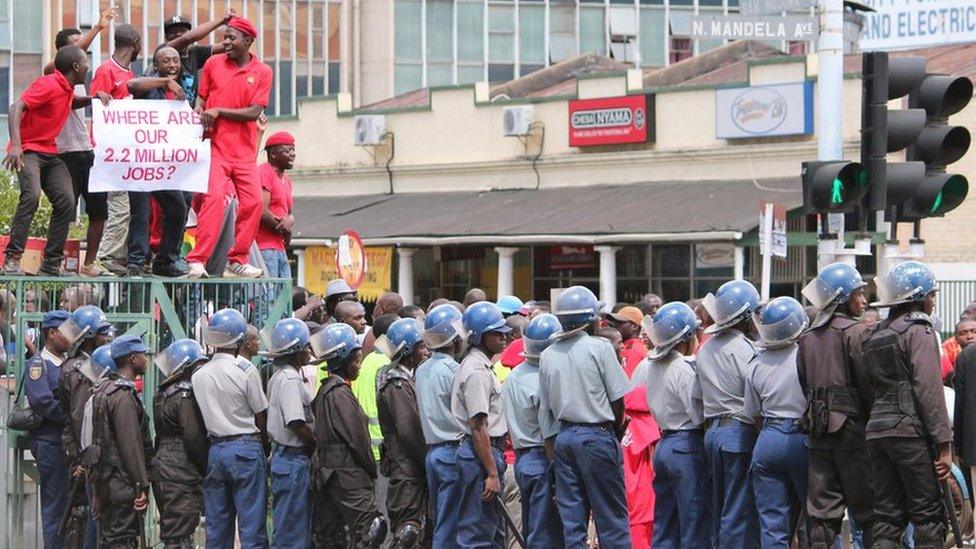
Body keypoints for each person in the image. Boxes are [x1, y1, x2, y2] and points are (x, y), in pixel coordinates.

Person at [861, 261, 952, 547]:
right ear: (919, 297)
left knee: (887, 517)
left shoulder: (874, 334)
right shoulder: (919, 331)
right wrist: (944, 444)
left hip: (877, 432)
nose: (933, 302)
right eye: (931, 296)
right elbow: (929, 389)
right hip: (910, 434)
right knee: (927, 515)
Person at [2, 46, 109, 276]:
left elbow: (70, 102)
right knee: (31, 195)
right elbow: (16, 106)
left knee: (67, 201)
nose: (88, 67)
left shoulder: (67, 88)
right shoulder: (49, 83)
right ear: (75, 67)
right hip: (29, 150)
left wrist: (93, 99)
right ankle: (12, 257)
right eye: (85, 63)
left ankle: (51, 262)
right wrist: (17, 145)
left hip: (50, 153)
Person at [540, 286, 632, 548]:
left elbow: (547, 410)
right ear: (591, 320)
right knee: (611, 517)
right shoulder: (600, 347)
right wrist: (613, 431)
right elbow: (618, 399)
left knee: (573, 521)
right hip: (596, 436)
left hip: (565, 438)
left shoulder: (547, 354)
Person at [797, 262, 875, 546]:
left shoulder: (806, 338)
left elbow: (803, 382)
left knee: (822, 513)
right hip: (853, 429)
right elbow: (868, 385)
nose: (864, 300)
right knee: (869, 510)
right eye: (858, 294)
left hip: (817, 429)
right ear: (842, 298)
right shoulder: (857, 333)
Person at [187, 16, 272, 279]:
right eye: (224, 37)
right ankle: (197, 260)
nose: (225, 42)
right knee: (212, 200)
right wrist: (200, 108)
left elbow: (254, 112)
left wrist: (218, 110)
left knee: (254, 202)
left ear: (247, 41)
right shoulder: (212, 64)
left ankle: (237, 258)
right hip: (215, 149)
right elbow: (201, 98)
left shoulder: (263, 72)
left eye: (230, 38)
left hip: (245, 153)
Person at [46, 7, 117, 276]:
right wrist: (97, 29)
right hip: (63, 153)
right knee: (65, 208)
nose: (82, 53)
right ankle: (55, 261)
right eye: (75, 47)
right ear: (63, 53)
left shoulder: (78, 78)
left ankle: (89, 263)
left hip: (85, 150)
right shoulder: (52, 71)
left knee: (99, 210)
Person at [192, 308, 270, 547]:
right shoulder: (246, 371)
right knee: (252, 525)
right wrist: (265, 446)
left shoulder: (199, 374)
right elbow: (260, 413)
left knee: (217, 526)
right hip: (246, 448)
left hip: (216, 450)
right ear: (239, 339)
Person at [633, 302, 707, 548]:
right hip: (686, 445)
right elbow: (697, 415)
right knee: (693, 518)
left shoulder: (651, 366)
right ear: (686, 337)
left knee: (665, 521)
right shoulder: (684, 369)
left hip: (664, 443)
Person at [309, 322, 388, 548]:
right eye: (356, 360)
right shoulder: (339, 394)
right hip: (347, 474)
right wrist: (371, 468)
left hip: (330, 473)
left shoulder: (326, 390)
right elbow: (357, 438)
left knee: (331, 534)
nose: (359, 365)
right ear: (343, 361)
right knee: (371, 527)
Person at [697, 279, 762, 546]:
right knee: (738, 508)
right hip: (739, 431)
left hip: (712, 433)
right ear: (745, 316)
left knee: (720, 506)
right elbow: (756, 394)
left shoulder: (706, 348)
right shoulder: (744, 348)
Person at [745, 297, 810, 549]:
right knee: (816, 517)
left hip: (769, 439)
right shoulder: (806, 356)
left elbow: (754, 414)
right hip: (803, 438)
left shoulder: (756, 363)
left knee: (772, 523)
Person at [123, 45, 191, 277]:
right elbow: (131, 85)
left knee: (178, 208)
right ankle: (136, 261)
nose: (172, 65)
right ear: (156, 65)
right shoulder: (150, 85)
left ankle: (165, 260)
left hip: (166, 166)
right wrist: (164, 82)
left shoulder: (183, 89)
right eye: (166, 61)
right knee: (141, 213)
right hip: (142, 163)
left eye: (175, 60)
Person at [501, 313, 564, 548]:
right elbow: (549, 435)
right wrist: (559, 476)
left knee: (531, 528)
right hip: (542, 458)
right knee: (544, 532)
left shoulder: (514, 376)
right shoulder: (543, 379)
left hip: (521, 459)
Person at [85, 334, 152, 548]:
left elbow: (93, 443)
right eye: (143, 355)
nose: (146, 359)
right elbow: (130, 445)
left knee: (109, 539)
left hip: (106, 481)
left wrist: (96, 489)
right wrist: (142, 484)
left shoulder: (103, 390)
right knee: (121, 541)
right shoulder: (122, 396)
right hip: (121, 483)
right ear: (132, 359)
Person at [453, 301, 511, 547]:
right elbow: (478, 426)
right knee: (478, 534)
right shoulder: (476, 370)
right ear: (479, 336)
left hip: (486, 453)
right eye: (496, 334)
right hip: (480, 456)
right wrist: (491, 473)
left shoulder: (482, 365)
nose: (504, 338)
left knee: (494, 532)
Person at [90, 24, 141, 276]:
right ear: (134, 42)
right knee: (119, 206)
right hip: (110, 153)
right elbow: (94, 102)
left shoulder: (129, 74)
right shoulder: (106, 70)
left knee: (126, 207)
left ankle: (114, 255)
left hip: (125, 152)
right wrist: (98, 95)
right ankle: (105, 256)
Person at [416, 304, 467, 547]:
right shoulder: (453, 370)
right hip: (452, 451)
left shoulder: (422, 369)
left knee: (440, 519)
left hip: (433, 452)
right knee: (451, 522)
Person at [150, 339, 210, 549]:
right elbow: (193, 437)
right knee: (180, 537)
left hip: (162, 468)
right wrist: (206, 466)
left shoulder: (161, 394)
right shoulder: (184, 395)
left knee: (172, 532)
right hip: (181, 472)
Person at [376, 318, 431, 547]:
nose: (426, 351)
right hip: (406, 467)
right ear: (408, 350)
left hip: (406, 465)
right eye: (421, 346)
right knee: (407, 530)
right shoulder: (397, 382)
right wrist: (425, 460)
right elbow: (408, 430)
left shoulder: (403, 376)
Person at [264, 318, 317, 549]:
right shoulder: (289, 379)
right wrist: (314, 444)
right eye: (306, 346)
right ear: (296, 351)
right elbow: (296, 421)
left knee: (290, 523)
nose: (309, 351)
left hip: (287, 457)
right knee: (292, 529)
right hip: (293, 457)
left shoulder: (281, 375)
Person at [23, 310, 72, 549]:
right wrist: (73, 417)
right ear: (51, 334)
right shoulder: (38, 365)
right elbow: (42, 401)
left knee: (73, 508)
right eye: (67, 332)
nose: (71, 337)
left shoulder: (70, 363)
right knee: (55, 508)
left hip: (70, 444)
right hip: (51, 442)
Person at [350, 312, 398, 517]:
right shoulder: (385, 365)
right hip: (383, 451)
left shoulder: (368, 361)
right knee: (385, 512)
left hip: (368, 448)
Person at [163, 11, 236, 102]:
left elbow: (228, 45)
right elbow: (187, 38)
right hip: (166, 110)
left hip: (188, 113)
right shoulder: (163, 51)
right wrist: (222, 20)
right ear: (166, 37)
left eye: (182, 30)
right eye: (173, 32)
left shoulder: (195, 52)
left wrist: (240, 30)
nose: (178, 34)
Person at [257, 131, 296, 283]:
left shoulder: (286, 180)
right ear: (273, 154)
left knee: (284, 295)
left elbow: (289, 213)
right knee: (268, 296)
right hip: (264, 246)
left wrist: (290, 222)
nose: (292, 154)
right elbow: (261, 210)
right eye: (288, 150)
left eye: (293, 150)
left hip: (279, 246)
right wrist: (284, 228)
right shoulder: (264, 172)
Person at [608, 306, 648, 378]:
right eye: (615, 322)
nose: (615, 325)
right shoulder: (632, 346)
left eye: (620, 322)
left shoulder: (633, 350)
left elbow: (627, 384)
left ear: (634, 326)